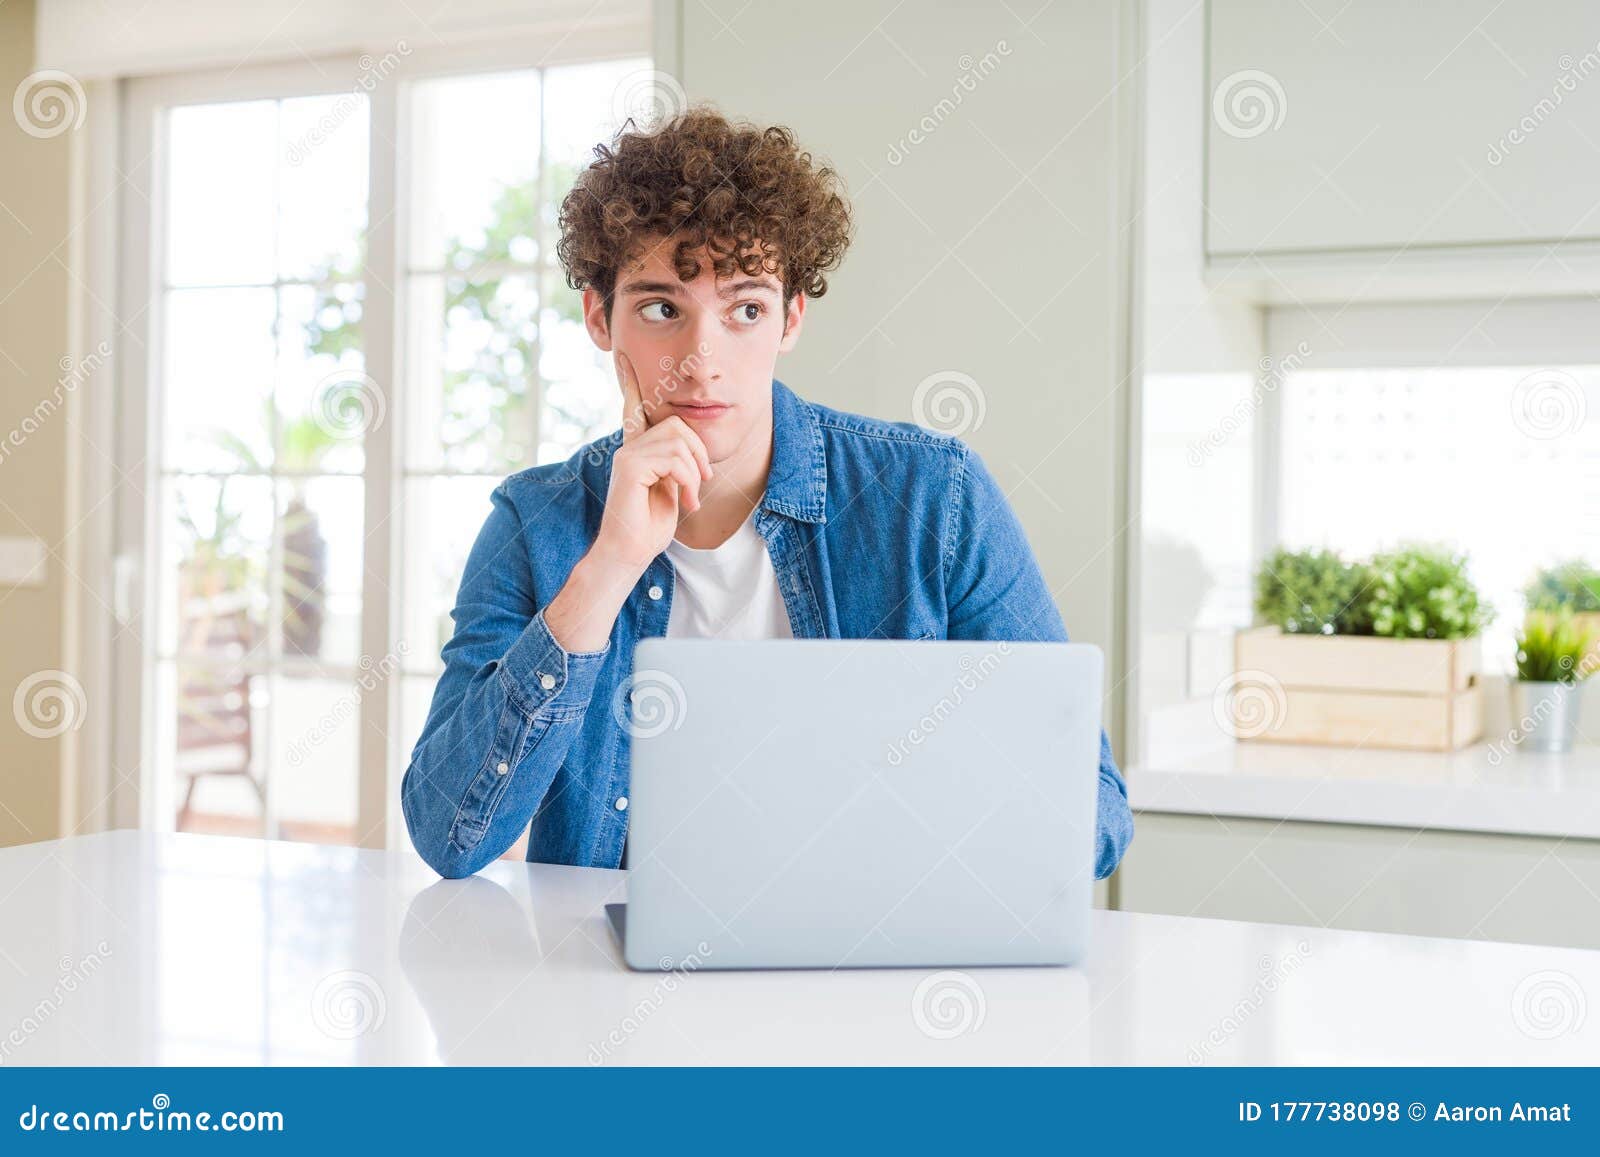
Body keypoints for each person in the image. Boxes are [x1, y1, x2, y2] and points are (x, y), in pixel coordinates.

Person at [401, 106, 1133, 880]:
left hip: (870, 974)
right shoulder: (535, 521)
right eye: (661, 309)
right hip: (613, 989)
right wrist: (608, 568)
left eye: (745, 309)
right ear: (599, 317)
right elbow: (448, 834)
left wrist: (918, 839)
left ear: (790, 320)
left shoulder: (934, 498)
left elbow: (1091, 806)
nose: (702, 359)